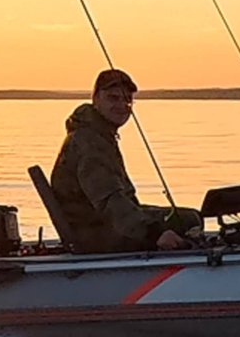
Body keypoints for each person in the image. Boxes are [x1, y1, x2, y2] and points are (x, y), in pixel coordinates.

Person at [51, 68, 200, 252]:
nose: (122, 105)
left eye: (127, 100)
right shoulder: (88, 142)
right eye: (113, 98)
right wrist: (154, 234)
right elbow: (110, 202)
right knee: (186, 222)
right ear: (96, 99)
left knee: (188, 218)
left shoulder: (101, 135)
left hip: (104, 224)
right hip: (94, 234)